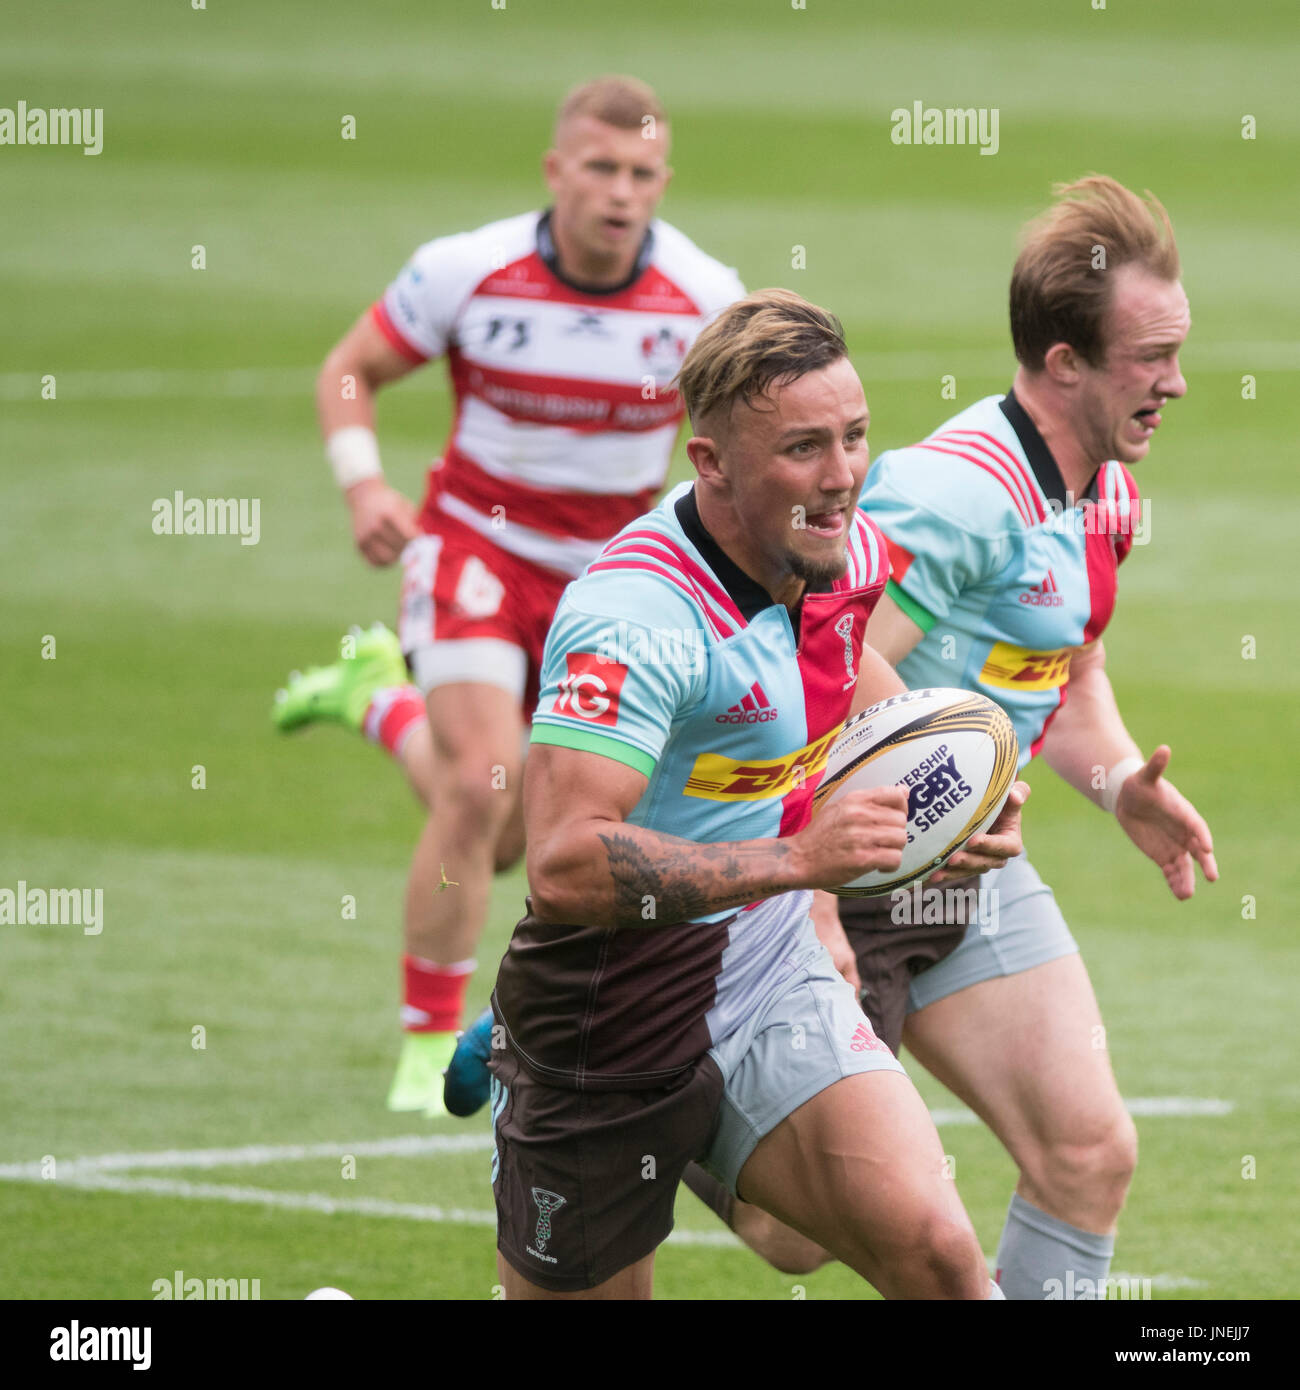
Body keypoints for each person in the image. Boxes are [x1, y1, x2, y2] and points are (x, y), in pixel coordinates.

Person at [685, 176, 1218, 1299]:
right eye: (1147, 356)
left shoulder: (1106, 491)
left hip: (968, 862)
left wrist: (1119, 781)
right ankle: (643, 1062)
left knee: (1087, 1151)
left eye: (1176, 352)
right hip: (844, 865)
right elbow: (819, 661)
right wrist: (817, 893)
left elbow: (1062, 664)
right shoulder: (955, 497)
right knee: (804, 1236)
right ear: (1063, 362)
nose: (1173, 381)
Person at [485, 289, 1028, 1299]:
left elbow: (845, 663)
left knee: (939, 1255)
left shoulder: (836, 546)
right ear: (711, 462)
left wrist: (957, 785)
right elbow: (562, 862)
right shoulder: (634, 616)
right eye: (803, 450)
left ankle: (715, 1132)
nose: (841, 480)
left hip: (770, 976)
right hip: (608, 1010)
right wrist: (799, 862)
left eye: (856, 436)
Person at [273, 76, 745, 1114]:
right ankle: (424, 1036)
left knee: (526, 827)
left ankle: (375, 701)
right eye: (600, 168)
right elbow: (349, 370)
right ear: (556, 171)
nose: (620, 193)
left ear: (663, 181)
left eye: (642, 174)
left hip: (615, 582)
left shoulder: (706, 299)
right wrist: (363, 486)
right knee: (485, 782)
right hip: (473, 552)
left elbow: (747, 439)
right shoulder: (466, 270)